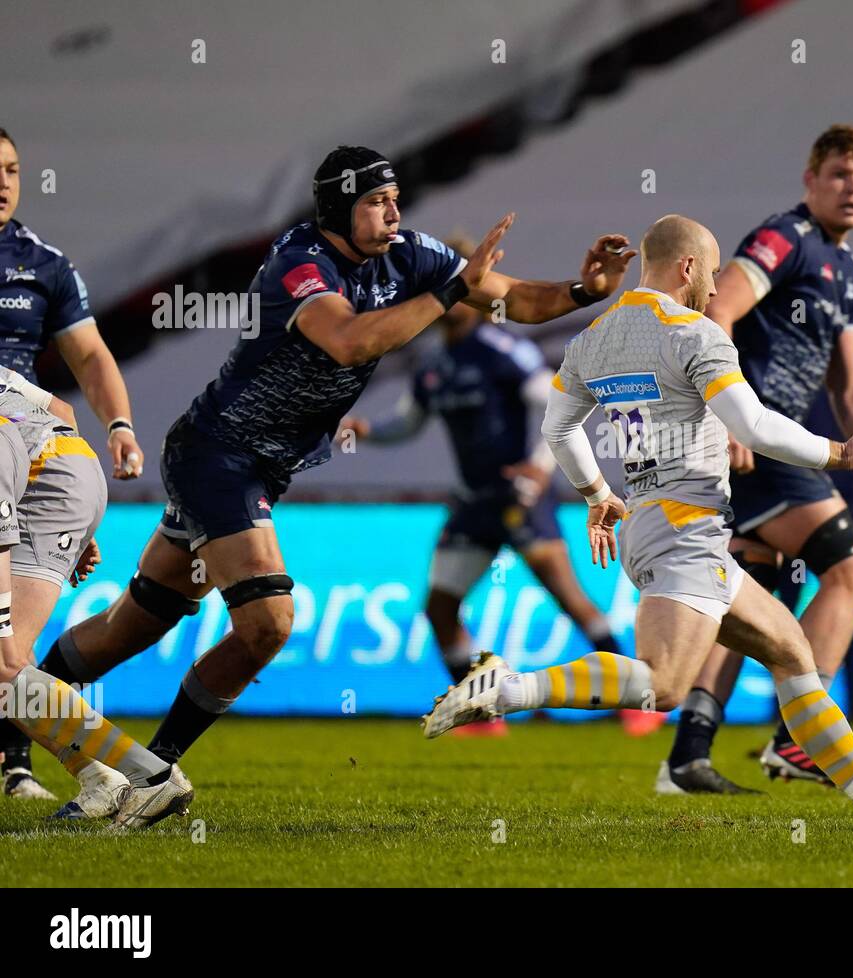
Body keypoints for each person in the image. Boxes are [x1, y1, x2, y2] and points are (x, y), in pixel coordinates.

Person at [34, 146, 635, 784]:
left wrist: (581, 290)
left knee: (129, 627)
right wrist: (452, 291)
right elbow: (350, 342)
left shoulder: (410, 256)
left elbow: (511, 298)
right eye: (376, 203)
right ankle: (155, 774)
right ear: (336, 211)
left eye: (395, 199)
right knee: (268, 624)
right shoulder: (299, 262)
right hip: (218, 454)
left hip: (257, 470)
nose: (393, 215)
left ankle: (14, 722)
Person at [423, 214, 853, 830]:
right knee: (663, 686)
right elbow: (753, 427)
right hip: (686, 529)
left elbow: (557, 428)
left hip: (652, 525)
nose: (716, 288)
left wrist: (596, 493)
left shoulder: (596, 335)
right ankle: (510, 689)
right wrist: (839, 453)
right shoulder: (694, 333)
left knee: (792, 652)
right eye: (713, 272)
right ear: (688, 267)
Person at [654, 125, 853, 793]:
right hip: (752, 435)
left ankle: (686, 759)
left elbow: (848, 386)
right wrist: (726, 412)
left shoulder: (849, 272)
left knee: (758, 589)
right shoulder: (785, 238)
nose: (852, 187)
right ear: (810, 181)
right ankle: (801, 739)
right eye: (840, 173)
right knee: (850, 572)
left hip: (770, 442)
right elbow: (716, 312)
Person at [341, 237, 659, 737]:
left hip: (519, 500)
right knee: (439, 607)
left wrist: (539, 467)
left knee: (569, 597)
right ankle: (479, 712)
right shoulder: (434, 363)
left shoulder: (502, 350)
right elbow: (409, 421)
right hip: (473, 503)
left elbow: (559, 404)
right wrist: (368, 432)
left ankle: (638, 698)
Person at [0, 126, 146, 799]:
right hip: (36, 441)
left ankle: (118, 774)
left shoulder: (43, 262)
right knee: (8, 656)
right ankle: (114, 776)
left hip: (24, 446)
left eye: (12, 168)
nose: (4, 181)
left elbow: (87, 360)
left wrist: (116, 424)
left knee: (6, 654)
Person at [0, 367, 191, 828]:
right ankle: (101, 778)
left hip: (37, 486)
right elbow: (61, 411)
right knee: (12, 665)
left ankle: (151, 776)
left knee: (3, 666)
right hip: (65, 468)